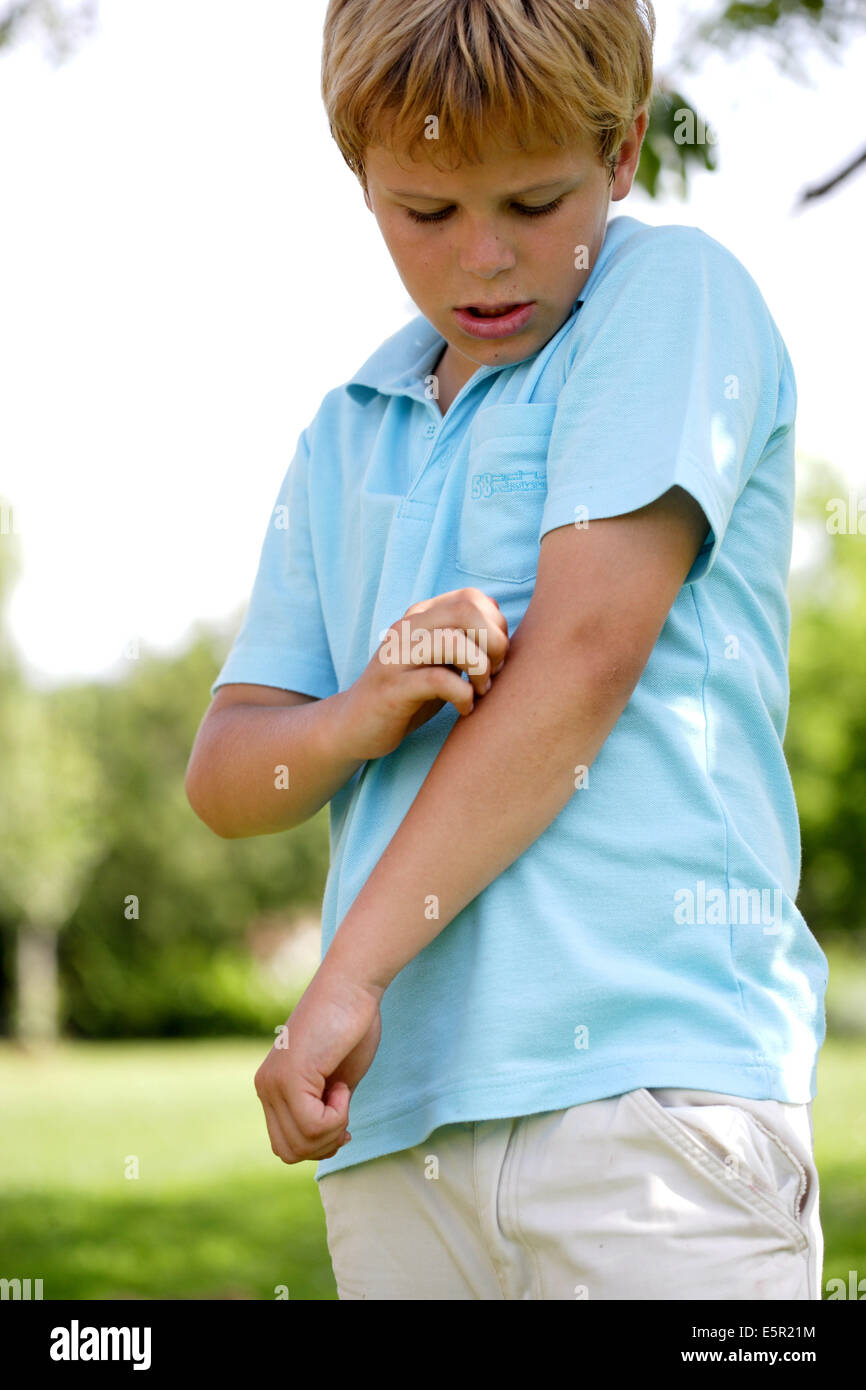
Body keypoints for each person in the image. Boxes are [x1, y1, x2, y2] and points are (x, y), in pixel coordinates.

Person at [185, 0, 828, 1300]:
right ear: (361, 175)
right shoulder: (346, 430)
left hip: (650, 1105)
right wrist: (357, 712)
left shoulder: (667, 297)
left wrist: (344, 972)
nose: (485, 259)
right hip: (402, 1119)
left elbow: (579, 666)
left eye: (535, 203)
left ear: (621, 149)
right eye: (427, 214)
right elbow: (226, 774)